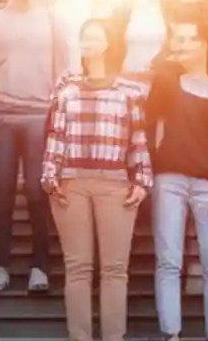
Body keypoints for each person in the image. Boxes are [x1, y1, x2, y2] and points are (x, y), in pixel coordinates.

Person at [41, 19, 152, 341]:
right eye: (84, 36)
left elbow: (138, 139)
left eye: (95, 37)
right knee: (78, 269)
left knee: (115, 270)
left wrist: (142, 180)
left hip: (115, 182)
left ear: (108, 43)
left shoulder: (130, 91)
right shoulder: (66, 86)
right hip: (71, 182)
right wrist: (49, 175)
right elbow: (55, 133)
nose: (87, 42)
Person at [145, 13, 208, 341]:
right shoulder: (166, 81)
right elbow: (148, 127)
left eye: (188, 38)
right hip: (169, 180)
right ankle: (171, 334)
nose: (180, 44)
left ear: (204, 44)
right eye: (177, 39)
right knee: (169, 260)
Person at [0, 0, 67, 294]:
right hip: (2, 114)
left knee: (35, 190)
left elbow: (64, 69)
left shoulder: (52, 20)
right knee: (0, 193)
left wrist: (58, 114)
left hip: (39, 116)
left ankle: (40, 266)